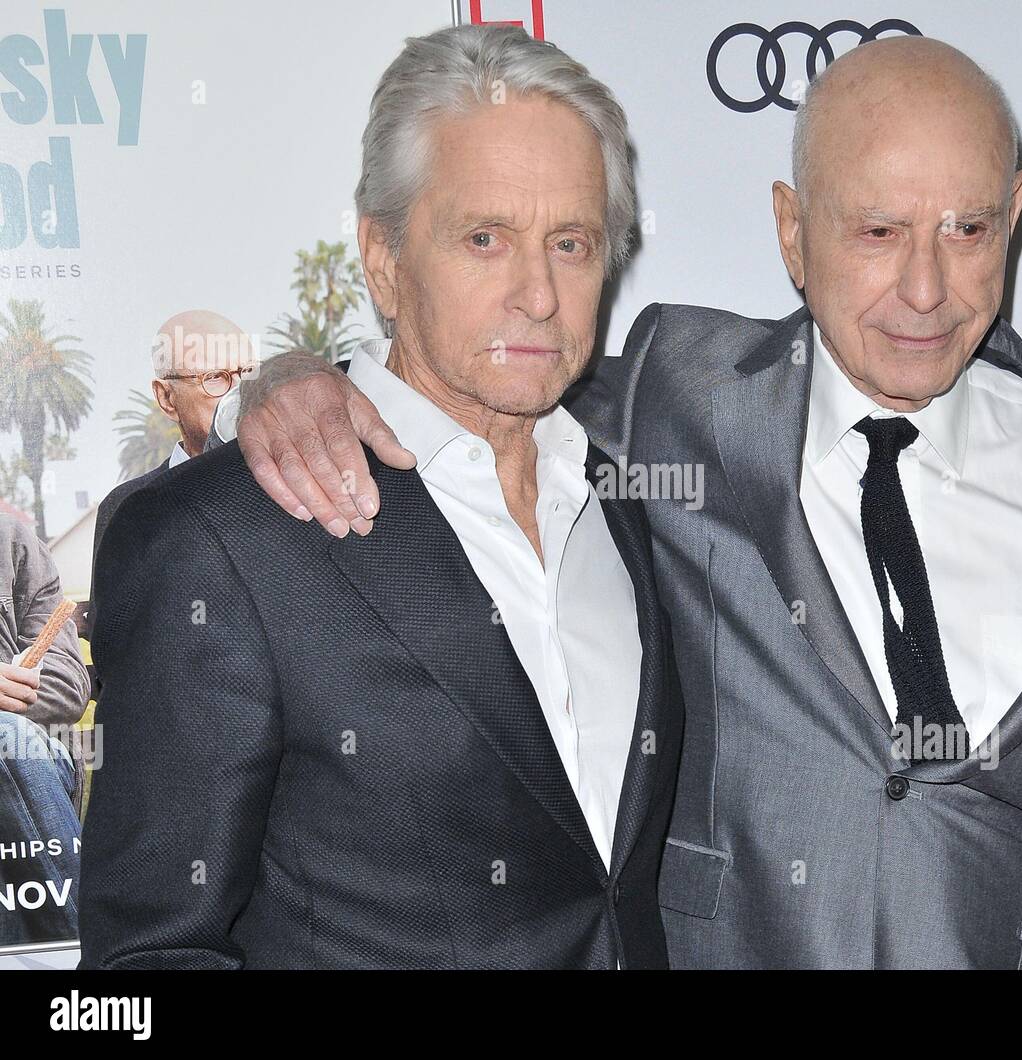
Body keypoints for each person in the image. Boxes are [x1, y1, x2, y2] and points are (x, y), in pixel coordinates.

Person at [224, 36, 1022, 969]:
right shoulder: (678, 395)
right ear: (792, 230)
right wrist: (280, 386)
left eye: (968, 229)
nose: (926, 290)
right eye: (877, 231)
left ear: (1016, 210)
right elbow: (464, 377)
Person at [78, 25, 682, 969]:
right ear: (384, 258)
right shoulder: (220, 537)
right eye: (485, 238)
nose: (538, 293)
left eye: (572, 242)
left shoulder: (637, 487)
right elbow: (146, 963)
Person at [88, 310, 254, 641]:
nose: (240, 393)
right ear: (167, 398)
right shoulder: (128, 509)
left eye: (249, 373)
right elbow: (115, 649)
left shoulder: (299, 492)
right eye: (215, 377)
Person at [0, 512, 91, 947]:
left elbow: (67, 683)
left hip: (23, 754)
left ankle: (77, 949)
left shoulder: (11, 542)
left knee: (5, 736)